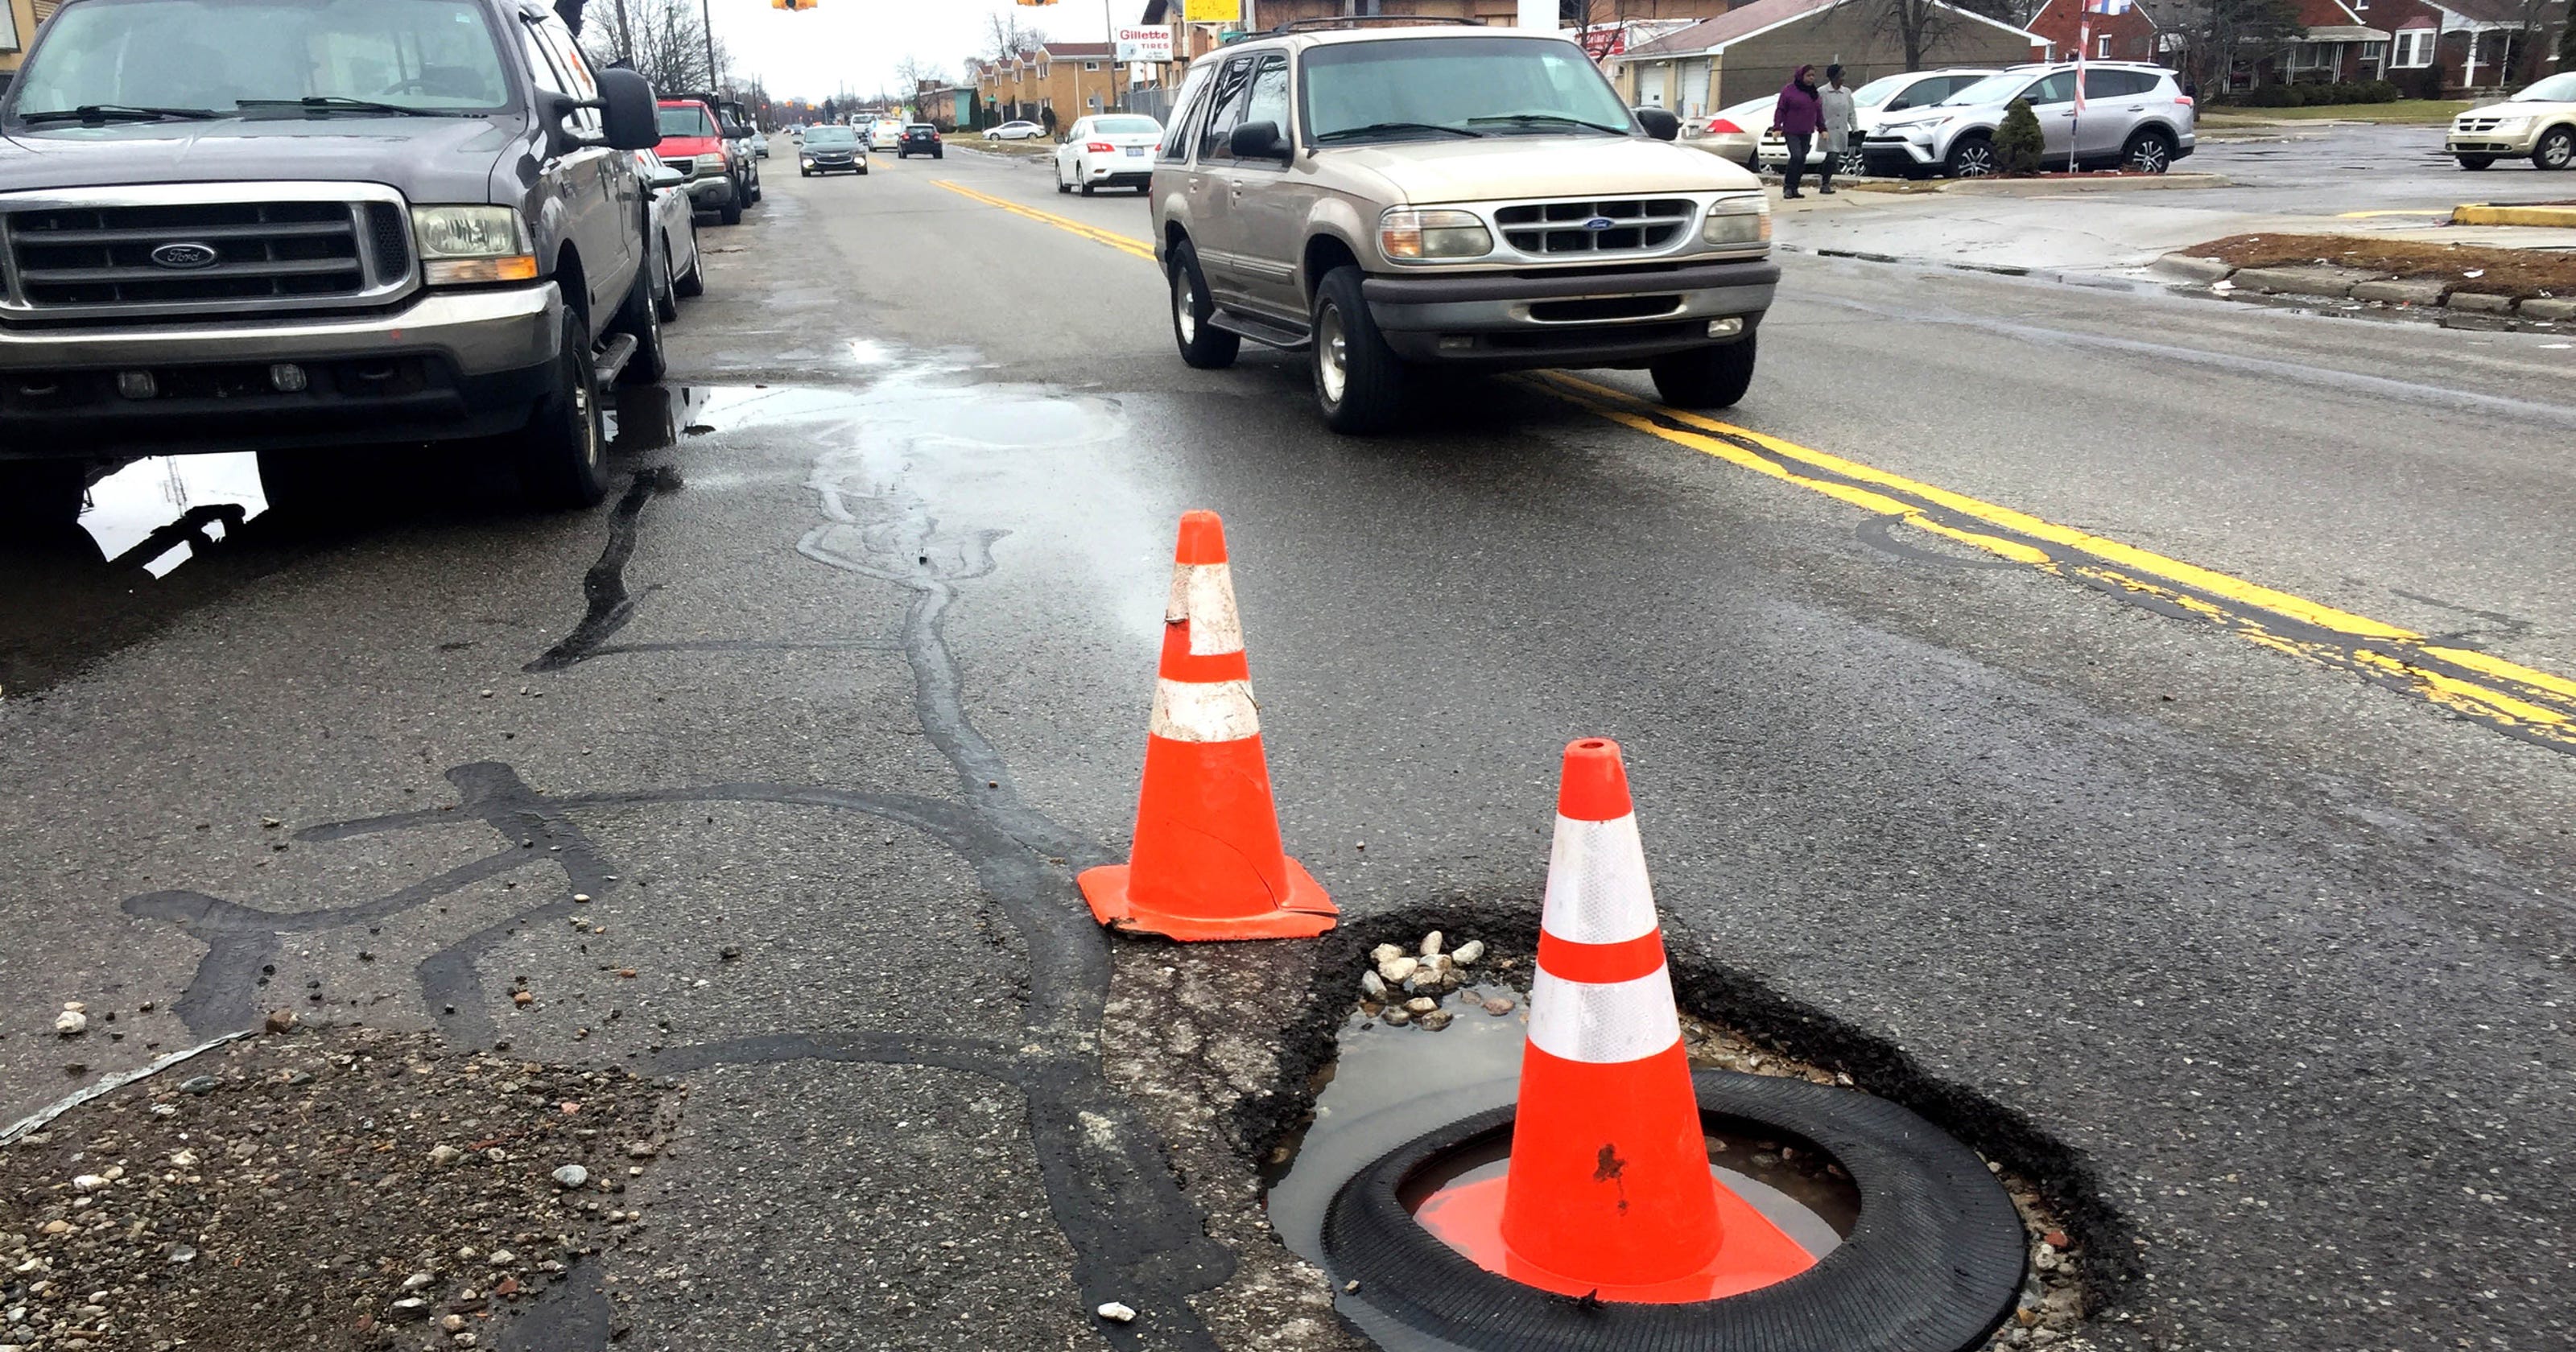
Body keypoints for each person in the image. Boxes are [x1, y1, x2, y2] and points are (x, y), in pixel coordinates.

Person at [1772, 65, 1823, 200]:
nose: (1811, 78)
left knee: (1802, 160)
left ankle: (1795, 187)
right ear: (1801, 76)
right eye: (1808, 75)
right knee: (1796, 156)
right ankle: (1788, 187)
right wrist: (1777, 127)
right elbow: (1781, 109)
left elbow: (1818, 112)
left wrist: (1822, 128)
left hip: (1807, 131)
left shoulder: (1813, 92)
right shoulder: (1789, 90)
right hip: (1791, 130)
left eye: (1813, 75)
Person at [1818, 64, 1856, 196]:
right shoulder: (1822, 92)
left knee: (1834, 156)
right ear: (1833, 77)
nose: (1843, 79)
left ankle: (1824, 176)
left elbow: (1851, 111)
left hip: (1842, 130)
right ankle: (1825, 184)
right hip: (1828, 129)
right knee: (1832, 155)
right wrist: (1819, 126)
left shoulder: (1847, 92)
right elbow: (1816, 111)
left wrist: (1855, 128)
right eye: (1841, 75)